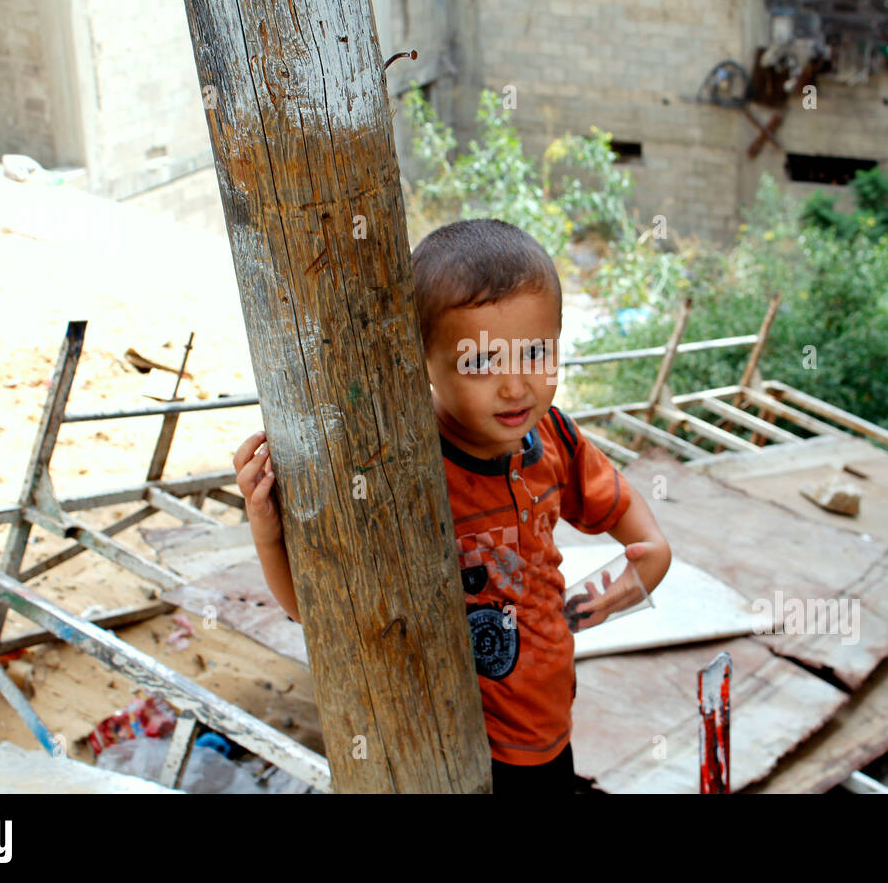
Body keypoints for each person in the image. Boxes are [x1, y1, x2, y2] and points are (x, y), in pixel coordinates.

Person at [233, 217, 672, 794]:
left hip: (547, 728)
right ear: (422, 361)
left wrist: (641, 575)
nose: (516, 387)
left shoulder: (556, 441)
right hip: (447, 747)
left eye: (536, 352)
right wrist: (268, 532)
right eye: (480, 362)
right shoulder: (407, 470)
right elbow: (321, 616)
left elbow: (639, 532)